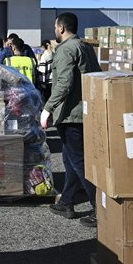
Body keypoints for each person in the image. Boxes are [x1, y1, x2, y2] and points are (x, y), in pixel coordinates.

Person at [40, 12, 100, 227]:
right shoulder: (85, 47)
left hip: (70, 115)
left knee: (79, 161)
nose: (55, 31)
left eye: (56, 28)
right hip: (84, 112)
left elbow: (63, 83)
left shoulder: (66, 49)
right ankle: (67, 201)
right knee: (69, 159)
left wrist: (47, 109)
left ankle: (99, 208)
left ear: (62, 28)